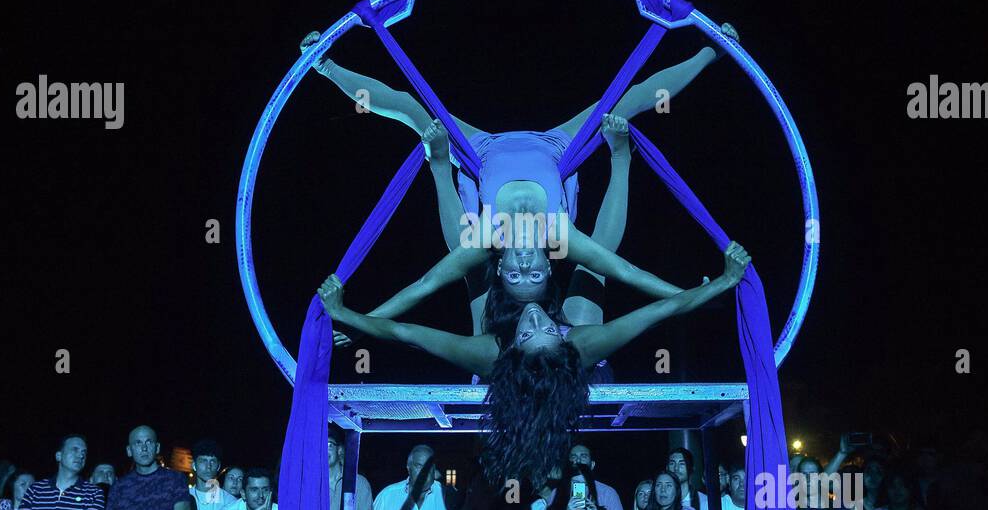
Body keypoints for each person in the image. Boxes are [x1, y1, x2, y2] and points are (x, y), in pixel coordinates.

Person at [308, 27, 737, 338]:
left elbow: (424, 285)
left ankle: (325, 65)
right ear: (550, 265)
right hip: (554, 148)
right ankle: (711, 53)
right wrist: (696, 292)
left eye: (516, 276)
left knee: (410, 108)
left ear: (503, 268)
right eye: (534, 275)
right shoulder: (557, 233)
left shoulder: (485, 241)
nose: (526, 267)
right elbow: (628, 272)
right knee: (632, 97)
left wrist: (357, 319)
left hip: (480, 151)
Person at [320, 243, 750, 488]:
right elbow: (662, 310)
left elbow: (408, 334)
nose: (534, 317)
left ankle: (441, 171)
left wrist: (348, 315)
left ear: (514, 348)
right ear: (560, 340)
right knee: (589, 274)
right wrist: (727, 282)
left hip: (515, 375)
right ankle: (621, 158)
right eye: (544, 325)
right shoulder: (578, 342)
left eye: (530, 331)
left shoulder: (491, 352)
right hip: (571, 374)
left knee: (474, 274)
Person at [185, 439, 236, 510]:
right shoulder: (182, 498)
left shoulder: (230, 501)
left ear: (218, 466)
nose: (208, 466)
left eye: (212, 461)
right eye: (203, 461)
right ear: (194, 465)